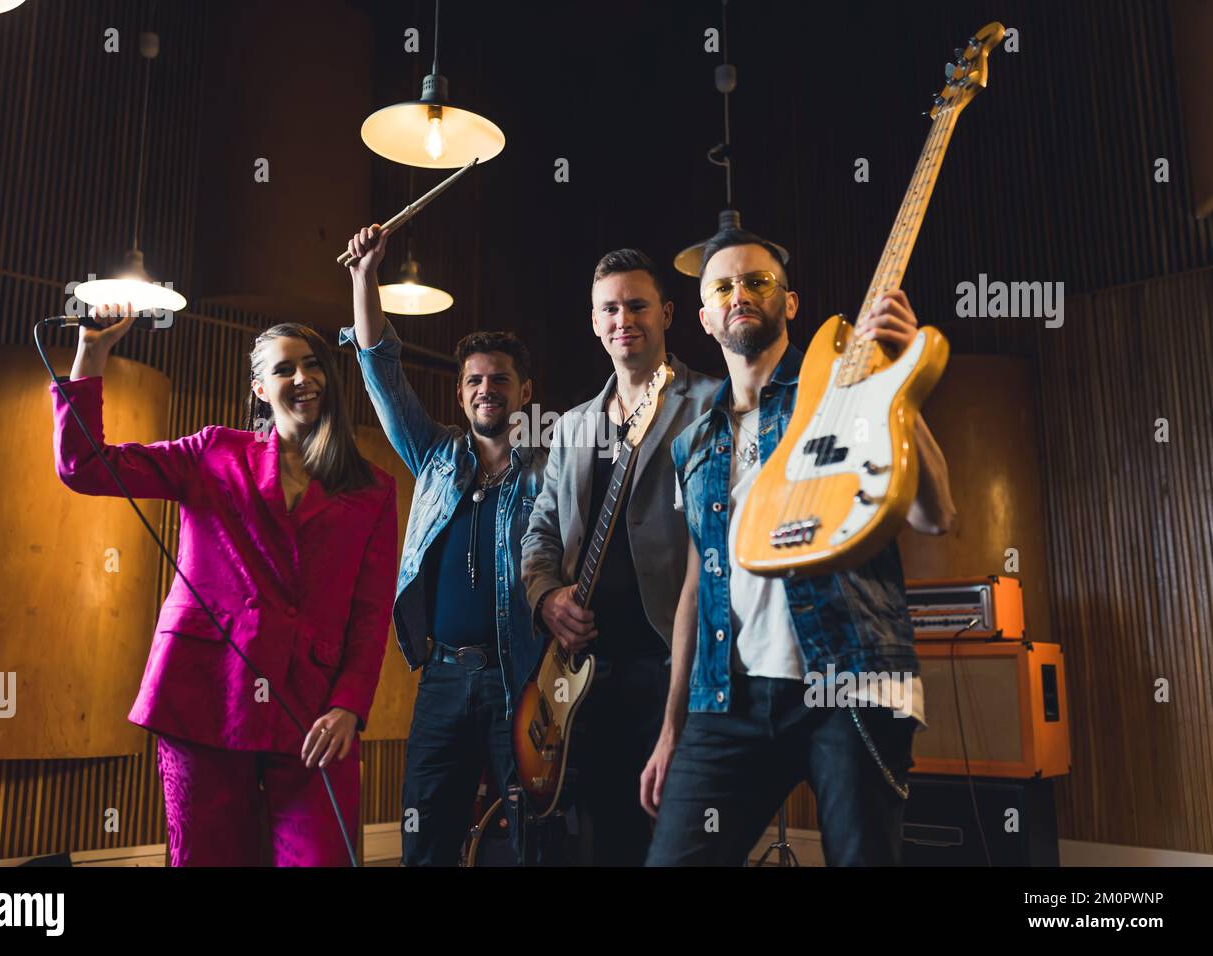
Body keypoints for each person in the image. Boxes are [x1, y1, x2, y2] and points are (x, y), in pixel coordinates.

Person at [642, 229, 957, 866]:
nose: (740, 294)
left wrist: (898, 382)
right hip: (727, 695)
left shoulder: (845, 390)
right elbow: (698, 583)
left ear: (790, 303)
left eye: (758, 281)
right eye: (722, 286)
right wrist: (673, 724)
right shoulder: (692, 445)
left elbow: (936, 514)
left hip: (851, 682)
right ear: (703, 318)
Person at [50, 304, 397, 866]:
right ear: (260, 388)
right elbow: (83, 464)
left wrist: (350, 707)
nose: (303, 379)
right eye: (285, 370)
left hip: (314, 710)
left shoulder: (372, 489)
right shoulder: (213, 452)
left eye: (314, 366)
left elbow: (371, 610)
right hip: (204, 693)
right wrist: (92, 354)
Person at [341, 225, 548, 866]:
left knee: (529, 839)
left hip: (521, 679)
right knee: (426, 838)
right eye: (475, 381)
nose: (488, 389)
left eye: (501, 380)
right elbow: (379, 368)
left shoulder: (553, 471)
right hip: (440, 681)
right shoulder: (432, 455)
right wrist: (363, 276)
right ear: (459, 394)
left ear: (524, 393)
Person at [521, 248, 720, 865]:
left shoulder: (712, 403)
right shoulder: (573, 425)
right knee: (604, 840)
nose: (622, 318)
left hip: (672, 666)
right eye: (609, 308)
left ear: (666, 314)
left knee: (681, 841)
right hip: (586, 677)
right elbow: (541, 532)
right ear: (593, 321)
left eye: (637, 305)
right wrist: (546, 597)